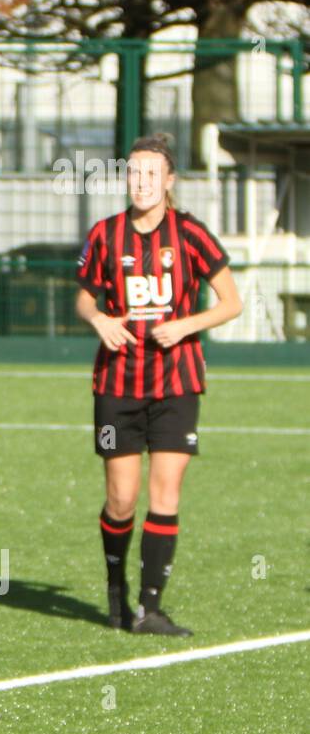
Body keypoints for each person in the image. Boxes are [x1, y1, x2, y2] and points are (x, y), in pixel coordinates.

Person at [75, 133, 242, 636]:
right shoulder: (105, 234)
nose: (141, 182)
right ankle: (115, 590)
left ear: (169, 181)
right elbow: (84, 297)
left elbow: (231, 302)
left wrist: (187, 325)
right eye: (133, 173)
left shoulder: (191, 234)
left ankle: (150, 607)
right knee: (122, 498)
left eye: (151, 174)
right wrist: (98, 319)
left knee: (165, 491)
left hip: (176, 383)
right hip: (118, 383)